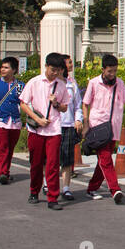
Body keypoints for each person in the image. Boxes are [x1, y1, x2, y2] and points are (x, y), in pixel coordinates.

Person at [81, 54, 125, 204]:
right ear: (103, 69)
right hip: (98, 126)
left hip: (114, 127)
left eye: (115, 71)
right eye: (110, 71)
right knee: (106, 159)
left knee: (103, 161)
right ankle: (115, 190)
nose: (112, 74)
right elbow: (85, 104)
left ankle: (92, 188)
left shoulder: (119, 84)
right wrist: (85, 124)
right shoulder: (93, 83)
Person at [19, 52, 72, 210]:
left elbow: (64, 107)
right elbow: (23, 103)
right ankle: (34, 191)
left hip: (54, 129)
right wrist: (37, 119)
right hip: (36, 129)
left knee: (53, 164)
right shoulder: (34, 82)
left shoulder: (61, 86)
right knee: (36, 163)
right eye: (52, 69)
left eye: (58, 70)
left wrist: (56, 103)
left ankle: (53, 197)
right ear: (46, 66)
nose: (55, 73)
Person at [57, 55, 82, 200]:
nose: (71, 65)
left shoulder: (72, 83)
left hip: (68, 125)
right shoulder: (51, 84)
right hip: (53, 127)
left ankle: (66, 188)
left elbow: (77, 105)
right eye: (69, 62)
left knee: (67, 159)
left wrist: (78, 119)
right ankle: (48, 183)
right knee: (51, 159)